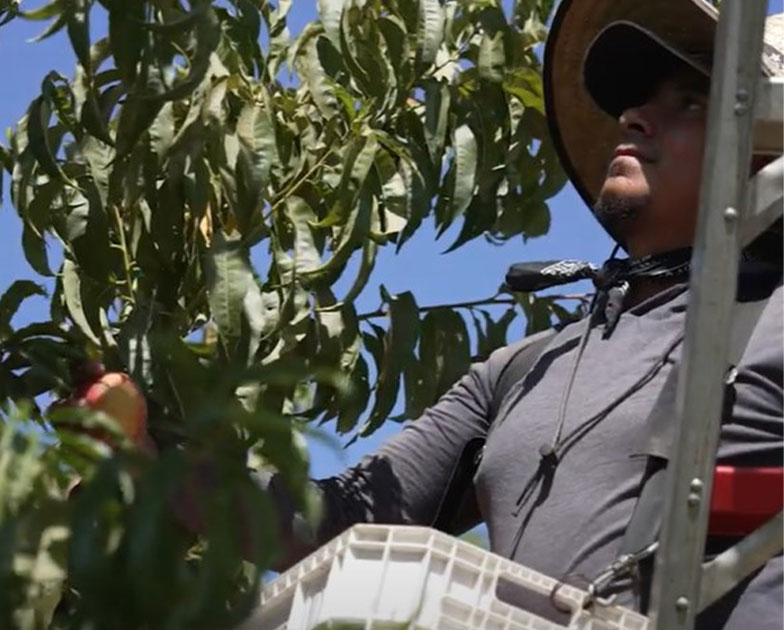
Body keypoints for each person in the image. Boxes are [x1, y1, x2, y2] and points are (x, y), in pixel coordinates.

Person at [139, 0, 784, 628]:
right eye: (636, 101)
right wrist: (152, 468)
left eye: (692, 101)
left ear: (769, 153)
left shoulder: (774, 319)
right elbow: (342, 517)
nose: (634, 116)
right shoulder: (525, 369)